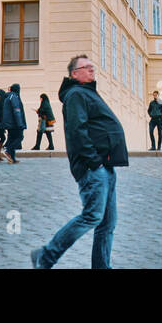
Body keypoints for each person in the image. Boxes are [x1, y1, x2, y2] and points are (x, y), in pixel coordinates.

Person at [31, 55, 127, 268]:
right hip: (93, 168)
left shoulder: (86, 92)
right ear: (74, 74)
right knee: (92, 216)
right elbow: (77, 130)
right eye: (86, 67)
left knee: (107, 224)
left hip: (105, 167)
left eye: (92, 67)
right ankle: (45, 256)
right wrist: (94, 162)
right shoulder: (76, 94)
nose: (92, 70)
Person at [0, 83, 27, 164]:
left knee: (12, 139)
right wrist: (20, 123)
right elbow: (16, 111)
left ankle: (12, 158)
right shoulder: (14, 97)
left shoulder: (9, 97)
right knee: (20, 137)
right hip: (14, 123)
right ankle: (7, 150)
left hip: (9, 123)